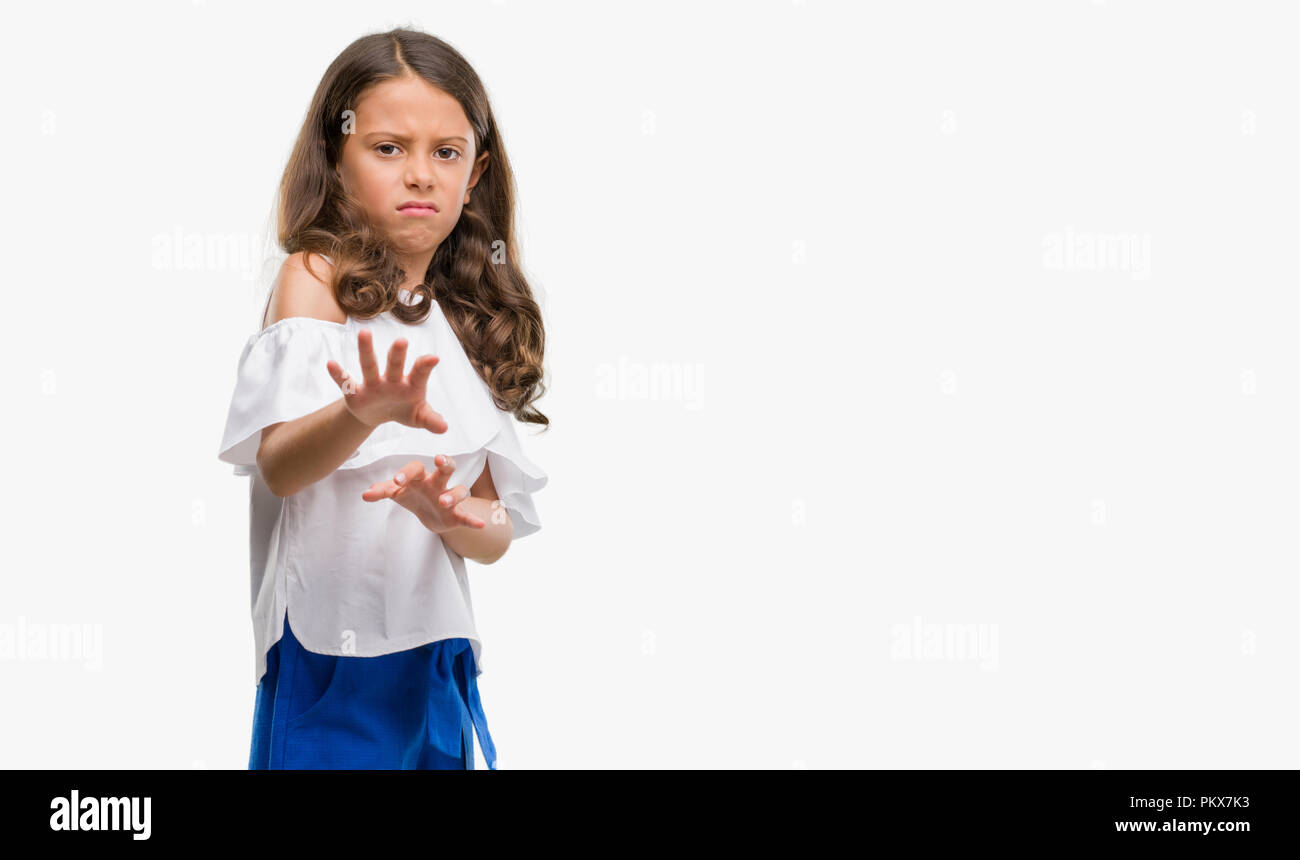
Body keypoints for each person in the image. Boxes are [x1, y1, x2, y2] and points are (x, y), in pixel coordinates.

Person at [215, 28, 549, 770]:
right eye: (388, 148)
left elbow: (493, 532)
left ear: (476, 172)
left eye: (447, 152)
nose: (421, 175)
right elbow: (281, 465)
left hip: (436, 663)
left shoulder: (464, 321)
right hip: (330, 653)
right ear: (336, 160)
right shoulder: (316, 278)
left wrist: (455, 516)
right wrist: (357, 412)